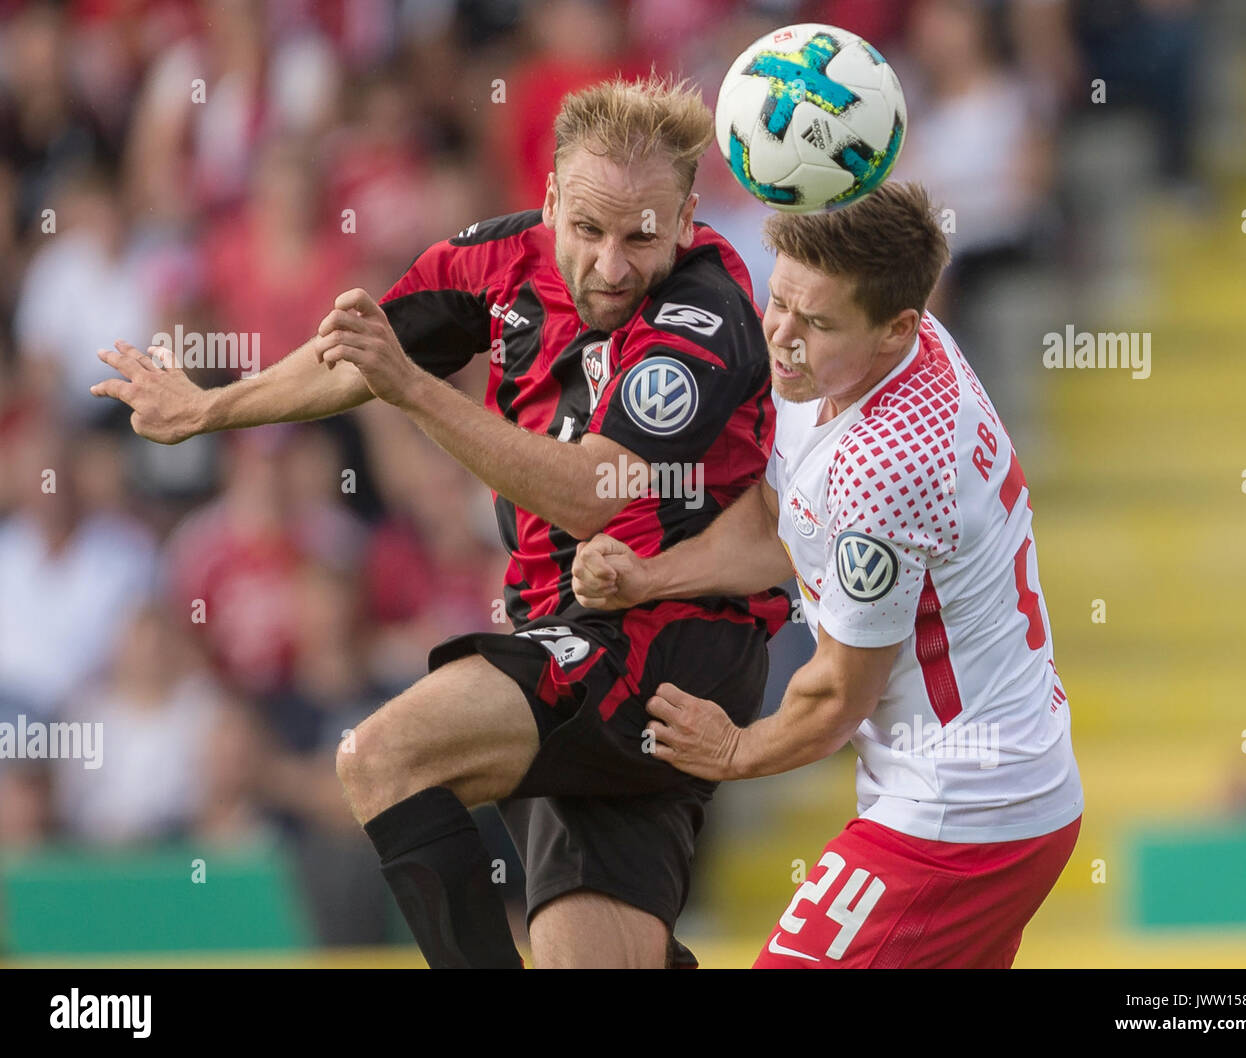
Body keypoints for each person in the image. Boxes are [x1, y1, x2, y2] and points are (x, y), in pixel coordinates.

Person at [90, 75, 787, 969]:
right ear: (549, 202)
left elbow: (589, 490)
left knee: (381, 758)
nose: (613, 264)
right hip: (566, 637)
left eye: (641, 236)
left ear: (688, 216)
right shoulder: (500, 261)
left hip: (662, 646)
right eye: (589, 230)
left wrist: (414, 390)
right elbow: (358, 355)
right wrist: (205, 411)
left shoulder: (703, 315)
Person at [573, 182, 1083, 968]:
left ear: (897, 329)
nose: (780, 337)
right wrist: (652, 576)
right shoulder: (865, 354)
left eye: (815, 322)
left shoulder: (890, 462)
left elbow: (839, 696)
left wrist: (734, 751)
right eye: (778, 300)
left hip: (966, 809)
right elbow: (787, 521)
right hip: (990, 792)